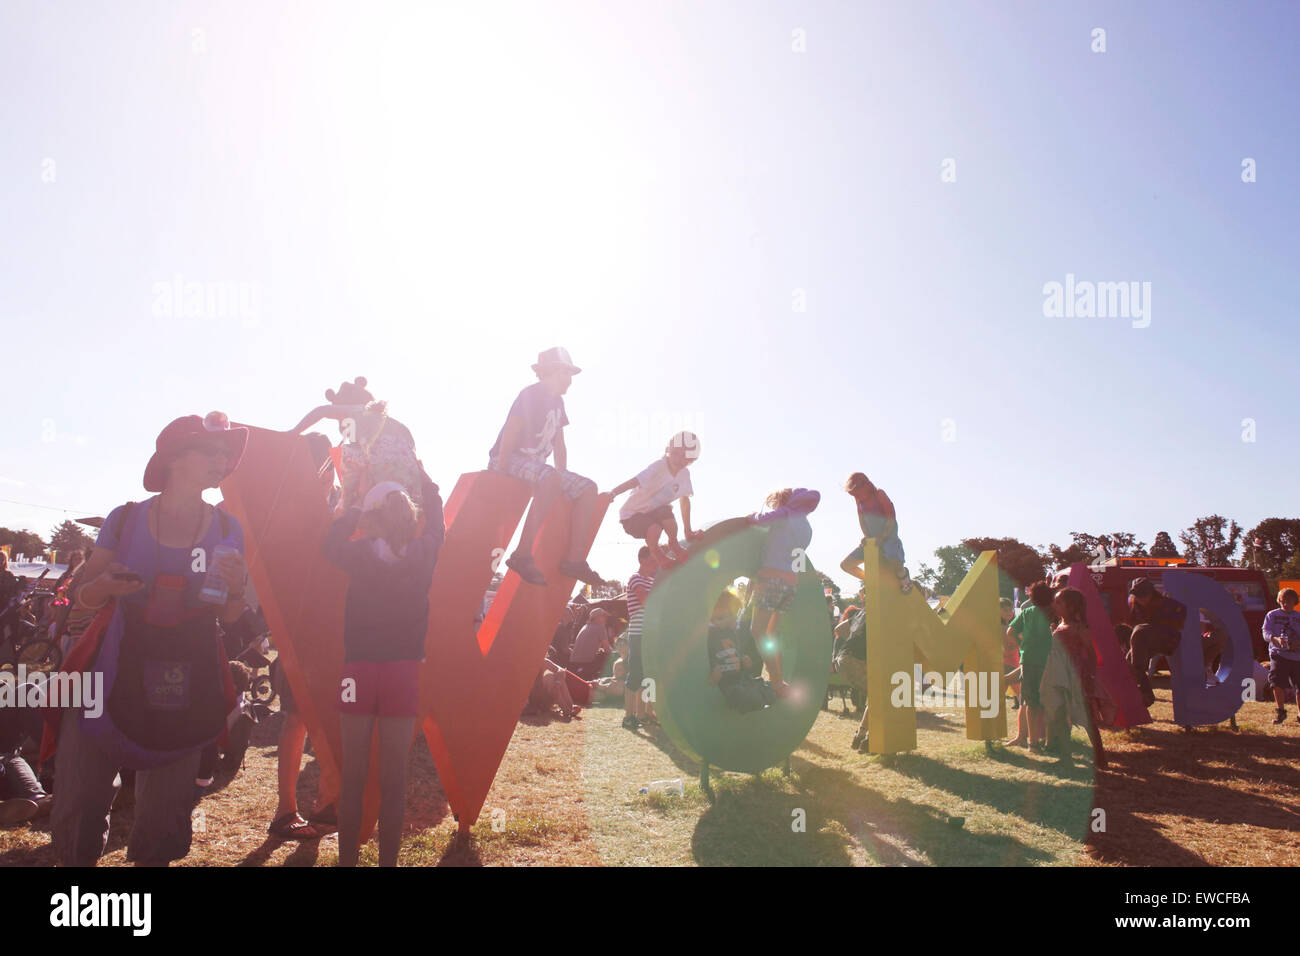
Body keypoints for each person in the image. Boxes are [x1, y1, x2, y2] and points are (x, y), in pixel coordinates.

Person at [48, 412, 250, 866]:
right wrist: (104, 588)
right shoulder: (124, 520)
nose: (222, 461)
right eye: (211, 451)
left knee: (163, 820)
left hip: (186, 681)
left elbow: (231, 614)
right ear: (176, 457)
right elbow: (81, 598)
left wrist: (237, 587)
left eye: (226, 454)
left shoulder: (226, 529)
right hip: (108, 674)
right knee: (78, 804)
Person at [323, 467, 444, 867]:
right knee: (394, 782)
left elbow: (330, 544)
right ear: (411, 520)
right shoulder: (425, 553)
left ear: (372, 519)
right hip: (402, 672)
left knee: (353, 778)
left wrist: (354, 509)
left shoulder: (358, 552)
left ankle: (346, 864)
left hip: (356, 671)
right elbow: (437, 522)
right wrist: (426, 482)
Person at [488, 347, 606, 588]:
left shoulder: (558, 403)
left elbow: (559, 443)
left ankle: (574, 559)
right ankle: (522, 554)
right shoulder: (530, 395)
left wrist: (562, 474)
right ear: (553, 372)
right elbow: (511, 431)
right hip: (508, 458)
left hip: (537, 467)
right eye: (567, 374)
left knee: (588, 488)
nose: (571, 381)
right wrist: (499, 471)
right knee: (550, 477)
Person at [289, 377, 423, 511]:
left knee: (348, 456)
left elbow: (322, 411)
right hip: (410, 487)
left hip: (380, 477)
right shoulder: (397, 425)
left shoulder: (359, 411)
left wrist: (293, 432)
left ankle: (344, 507)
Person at [747, 487, 821, 695]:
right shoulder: (806, 526)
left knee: (757, 630)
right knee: (771, 632)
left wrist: (751, 516)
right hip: (791, 583)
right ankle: (778, 678)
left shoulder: (785, 513)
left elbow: (761, 519)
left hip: (772, 579)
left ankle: (777, 681)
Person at [607, 432, 702, 569]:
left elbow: (685, 501)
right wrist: (613, 492)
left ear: (691, 460)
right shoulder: (658, 466)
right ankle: (657, 554)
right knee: (654, 528)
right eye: (676, 453)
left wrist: (688, 531)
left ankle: (673, 543)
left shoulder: (684, 475)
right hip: (632, 517)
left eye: (685, 457)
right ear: (668, 449)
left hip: (655, 513)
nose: (679, 460)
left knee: (667, 512)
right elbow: (634, 481)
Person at [1039, 587, 1108, 768]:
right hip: (1057, 674)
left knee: (1087, 719)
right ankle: (1066, 758)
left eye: (1059, 602)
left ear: (1071, 607)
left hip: (1074, 676)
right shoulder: (1059, 625)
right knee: (1060, 716)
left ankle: (1101, 759)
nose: (1055, 605)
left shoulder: (1079, 627)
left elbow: (1091, 654)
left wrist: (1090, 677)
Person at [839, 473, 912, 592]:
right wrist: (867, 537)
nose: (855, 495)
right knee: (846, 565)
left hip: (888, 537)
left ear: (865, 486)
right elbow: (862, 520)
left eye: (857, 491)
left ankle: (903, 576)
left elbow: (891, 518)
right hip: (872, 541)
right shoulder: (859, 501)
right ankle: (872, 580)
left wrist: (883, 536)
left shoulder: (879, 494)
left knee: (894, 558)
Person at [707, 590, 774, 712]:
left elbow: (735, 656)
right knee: (746, 696)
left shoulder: (732, 634)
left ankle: (762, 694)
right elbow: (706, 658)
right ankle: (756, 699)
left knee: (768, 688)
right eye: (722, 617)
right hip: (727, 686)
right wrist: (712, 677)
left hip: (741, 680)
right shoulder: (710, 637)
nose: (734, 619)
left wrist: (744, 664)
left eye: (735, 615)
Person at [1126, 577, 1188, 707]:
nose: (1141, 599)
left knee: (1139, 631)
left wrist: (1167, 625)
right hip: (1150, 640)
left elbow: (1182, 613)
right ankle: (1140, 696)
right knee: (1129, 658)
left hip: (1168, 638)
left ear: (1151, 594)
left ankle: (1144, 689)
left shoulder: (1167, 603)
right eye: (1138, 596)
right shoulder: (1134, 604)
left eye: (1144, 596)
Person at [1006, 582, 1054, 750]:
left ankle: (1032, 743)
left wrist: (1022, 644)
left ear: (1032, 598)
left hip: (1028, 660)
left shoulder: (1026, 612)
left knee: (1029, 702)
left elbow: (1010, 631)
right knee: (1049, 702)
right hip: (1050, 661)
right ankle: (1049, 741)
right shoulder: (1053, 614)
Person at [623, 547, 657, 730]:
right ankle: (629, 716)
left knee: (650, 675)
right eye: (652, 560)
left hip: (650, 633)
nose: (655, 564)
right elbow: (646, 601)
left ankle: (645, 714)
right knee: (636, 675)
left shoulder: (651, 580)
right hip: (638, 633)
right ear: (642, 560)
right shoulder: (635, 578)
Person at [1262, 588, 1300, 724]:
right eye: (1283, 600)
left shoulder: (1298, 616)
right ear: (1279, 601)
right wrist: (1275, 639)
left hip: (1297, 657)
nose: (1285, 603)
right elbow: (1265, 632)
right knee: (1277, 682)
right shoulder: (1272, 615)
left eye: (1289, 601)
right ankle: (1281, 711)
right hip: (1279, 654)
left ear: (1295, 602)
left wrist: (1297, 643)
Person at [568, 608, 613, 681]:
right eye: (604, 616)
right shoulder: (600, 628)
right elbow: (607, 649)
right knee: (610, 658)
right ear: (597, 617)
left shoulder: (585, 626)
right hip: (585, 665)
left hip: (573, 663)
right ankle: (607, 682)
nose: (606, 618)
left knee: (601, 655)